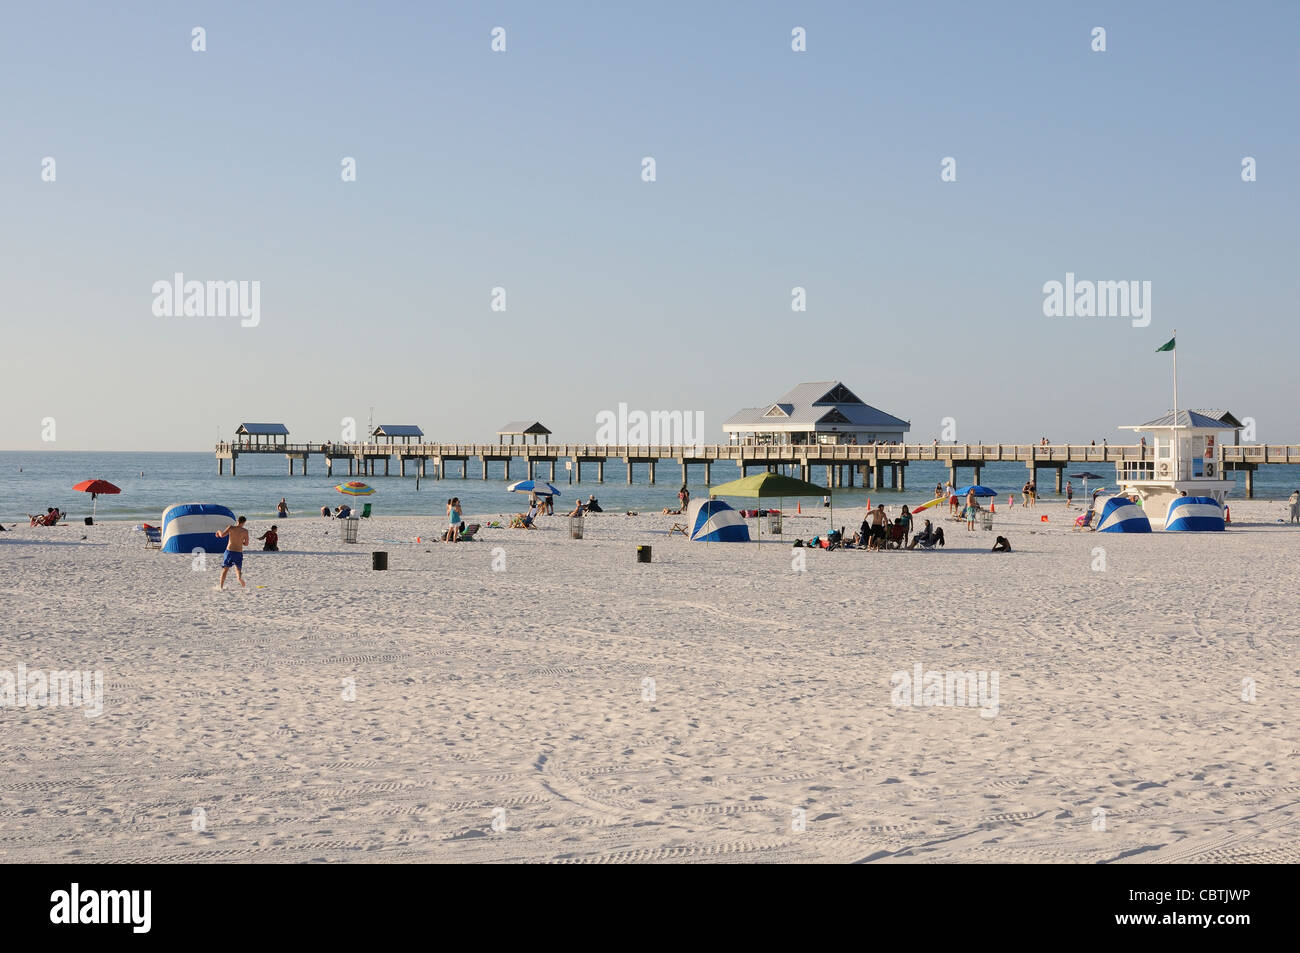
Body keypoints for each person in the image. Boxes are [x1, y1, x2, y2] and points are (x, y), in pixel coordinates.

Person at [215, 516, 250, 589]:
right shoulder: (245, 531)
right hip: (238, 552)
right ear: (244, 523)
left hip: (229, 551)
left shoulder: (231, 527)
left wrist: (218, 531)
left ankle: (221, 587)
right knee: (238, 569)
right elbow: (246, 544)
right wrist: (241, 542)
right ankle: (239, 578)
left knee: (225, 569)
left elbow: (222, 535)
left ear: (237, 521)